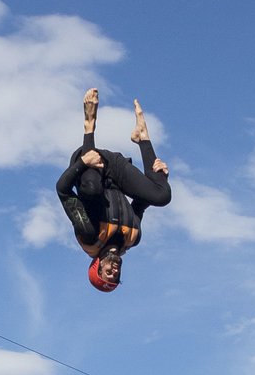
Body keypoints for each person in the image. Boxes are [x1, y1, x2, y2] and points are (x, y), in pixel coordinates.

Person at [56, 87, 171, 291]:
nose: (114, 271)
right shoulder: (132, 238)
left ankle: (89, 122)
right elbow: (141, 204)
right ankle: (142, 136)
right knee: (162, 196)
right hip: (117, 170)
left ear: (97, 266)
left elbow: (63, 191)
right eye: (116, 276)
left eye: (107, 273)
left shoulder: (89, 234)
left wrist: (83, 162)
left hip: (89, 164)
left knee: (91, 189)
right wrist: (159, 179)